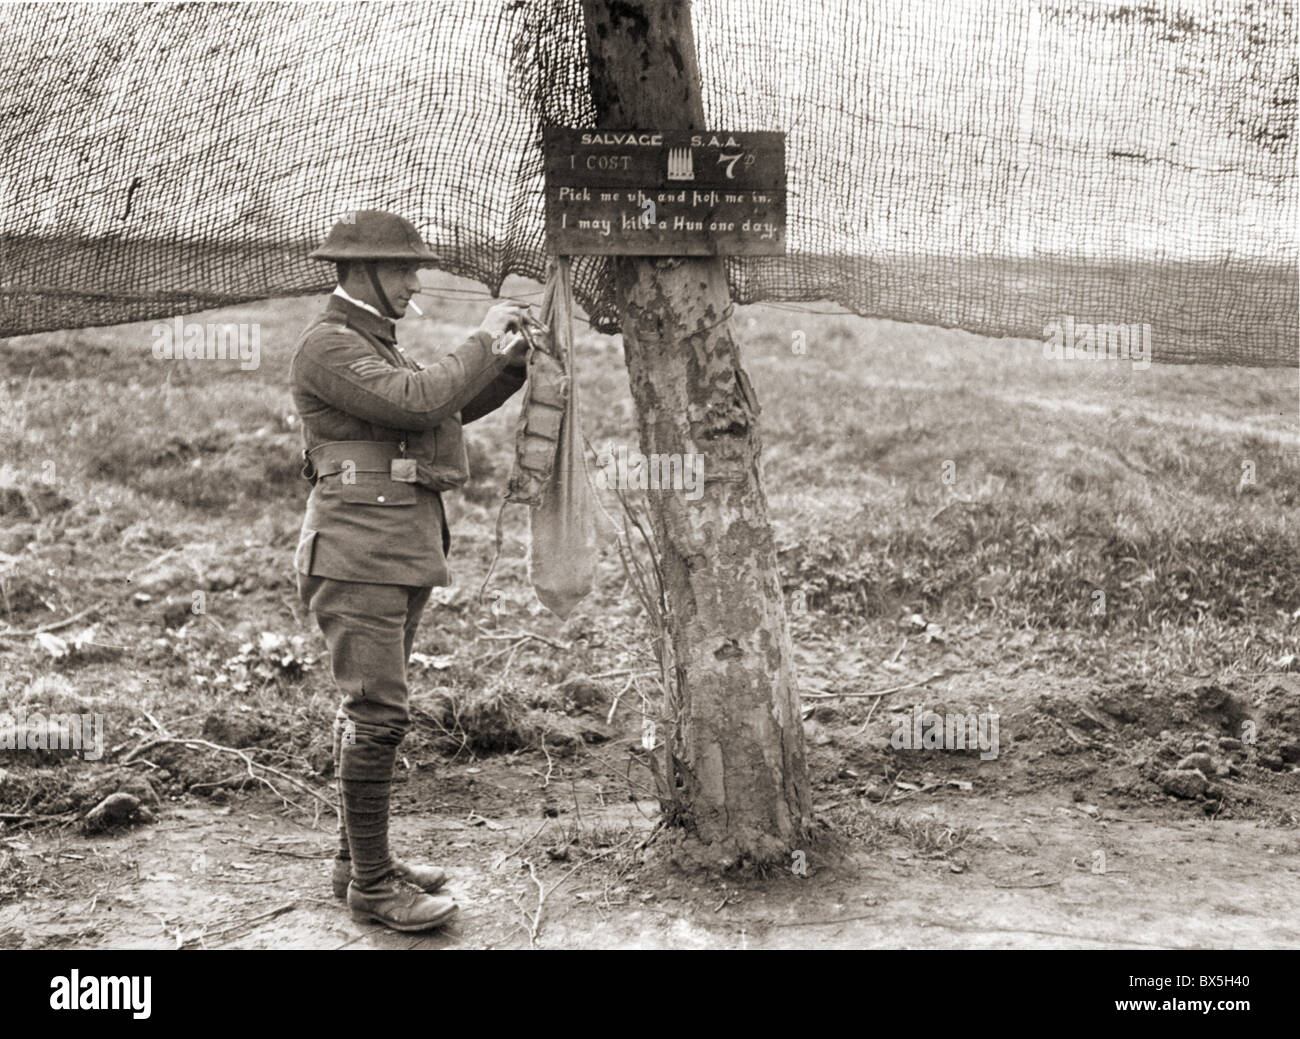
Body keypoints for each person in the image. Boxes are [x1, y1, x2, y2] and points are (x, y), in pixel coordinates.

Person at [290, 209, 530, 932]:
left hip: (394, 548)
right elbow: (418, 399)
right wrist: (483, 336)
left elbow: (439, 411)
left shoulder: (373, 345)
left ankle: (355, 863)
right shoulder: (328, 346)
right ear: (359, 272)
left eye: (414, 268)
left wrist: (510, 362)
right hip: (357, 553)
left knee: (370, 712)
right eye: (402, 269)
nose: (414, 281)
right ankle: (372, 887)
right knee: (378, 717)